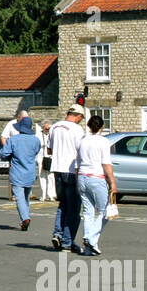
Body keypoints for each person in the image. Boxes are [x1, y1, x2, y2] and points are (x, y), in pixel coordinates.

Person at [48, 105, 88, 251]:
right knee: (74, 208)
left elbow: (49, 149)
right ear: (78, 115)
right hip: (71, 170)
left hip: (57, 168)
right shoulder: (77, 130)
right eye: (81, 118)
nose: (80, 121)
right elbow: (81, 150)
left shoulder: (54, 127)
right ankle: (67, 241)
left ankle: (57, 233)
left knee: (63, 204)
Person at [76, 115, 116, 255]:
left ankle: (89, 247)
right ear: (102, 127)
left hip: (82, 176)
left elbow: (78, 162)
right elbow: (106, 163)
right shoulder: (104, 141)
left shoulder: (82, 141)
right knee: (105, 211)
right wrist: (112, 182)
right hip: (96, 177)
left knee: (88, 212)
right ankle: (90, 238)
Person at [3, 116, 41, 230]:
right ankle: (23, 220)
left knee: (19, 197)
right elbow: (36, 150)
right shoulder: (35, 140)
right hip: (30, 172)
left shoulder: (13, 140)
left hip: (17, 172)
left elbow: (4, 153)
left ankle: (25, 218)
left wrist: (11, 156)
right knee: (26, 198)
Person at [37, 119, 56, 201]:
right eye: (47, 129)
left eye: (50, 128)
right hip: (41, 157)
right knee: (42, 176)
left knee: (51, 176)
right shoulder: (38, 135)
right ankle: (43, 194)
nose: (48, 130)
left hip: (50, 157)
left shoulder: (53, 135)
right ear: (43, 128)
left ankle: (51, 195)